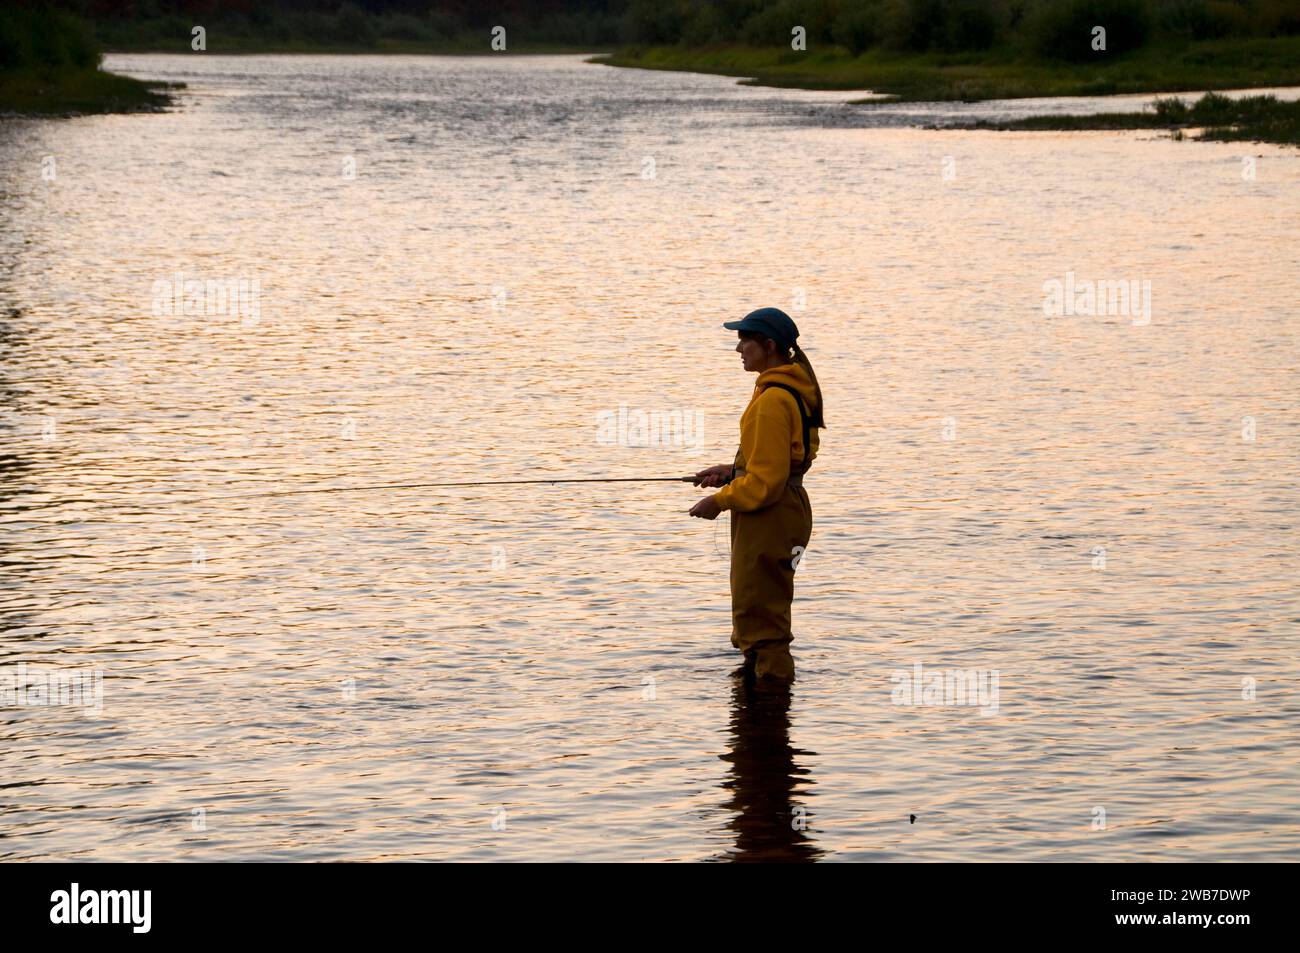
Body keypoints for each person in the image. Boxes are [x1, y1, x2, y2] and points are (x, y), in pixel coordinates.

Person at [689, 307, 825, 684]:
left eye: (744, 341)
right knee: (762, 607)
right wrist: (732, 473)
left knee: (761, 615)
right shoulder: (789, 391)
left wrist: (719, 501)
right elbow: (784, 462)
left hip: (771, 514)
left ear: (768, 346)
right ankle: (758, 698)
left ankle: (770, 702)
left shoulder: (772, 401)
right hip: (785, 510)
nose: (738, 350)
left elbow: (766, 482)